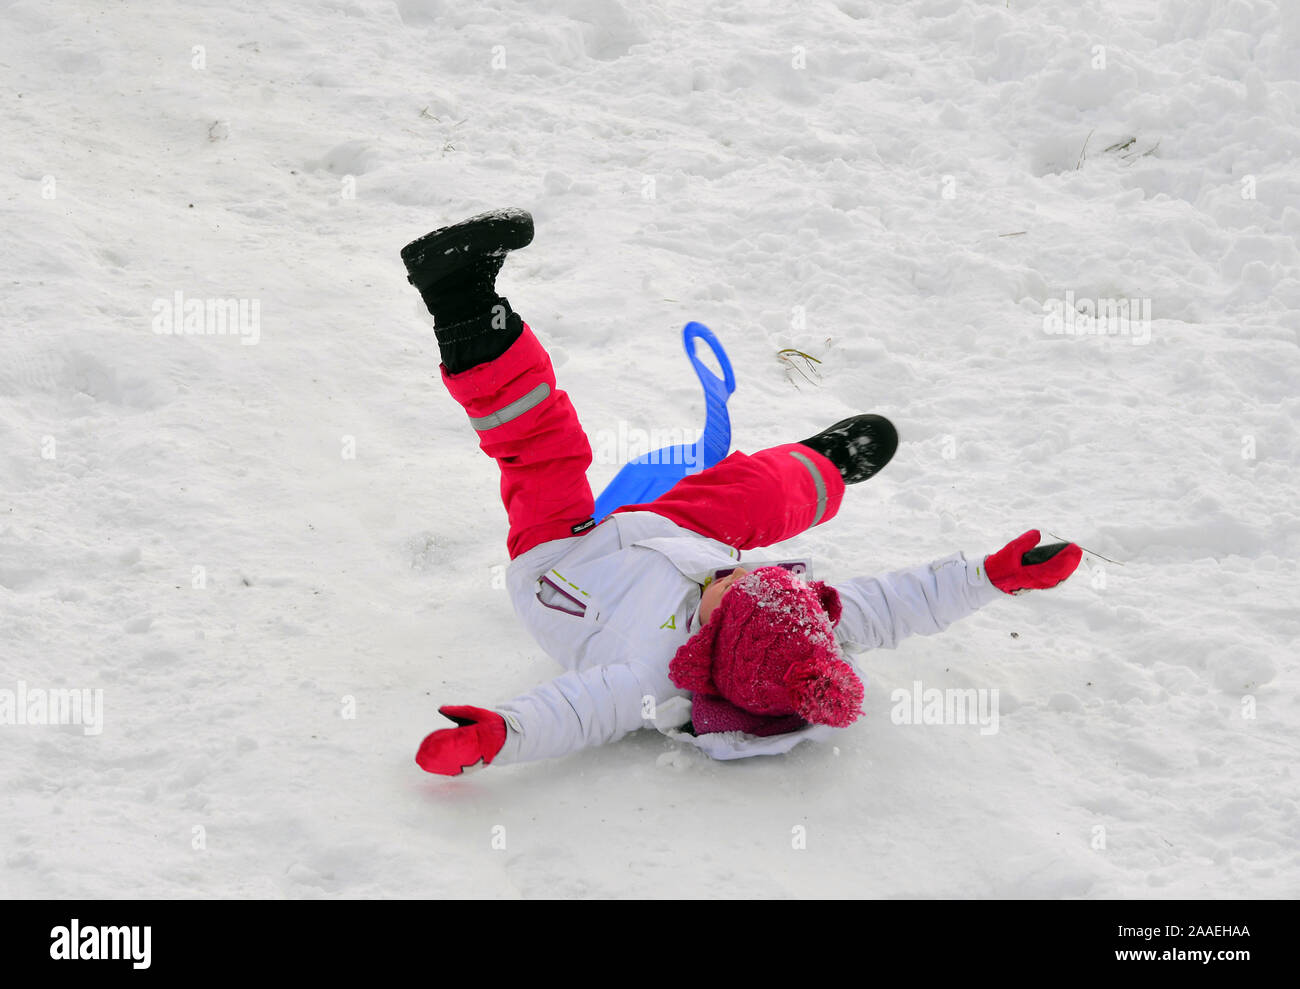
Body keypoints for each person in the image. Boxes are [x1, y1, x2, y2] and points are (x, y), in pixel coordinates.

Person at [400, 208, 1082, 776]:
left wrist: (498, 735)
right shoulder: (808, 626)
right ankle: (822, 465)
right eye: (761, 578)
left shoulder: (652, 679)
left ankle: (462, 301)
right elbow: (902, 601)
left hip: (563, 564)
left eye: (735, 587)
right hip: (665, 537)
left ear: (713, 643)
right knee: (749, 500)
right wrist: (991, 576)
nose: (740, 570)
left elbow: (575, 710)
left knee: (543, 444)